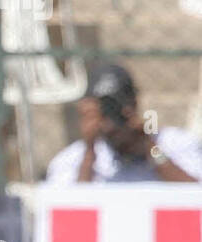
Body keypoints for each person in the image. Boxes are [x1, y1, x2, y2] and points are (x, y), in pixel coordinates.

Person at [45, 64, 202, 184]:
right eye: (105, 107)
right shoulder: (72, 159)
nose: (112, 115)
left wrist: (150, 147)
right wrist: (90, 152)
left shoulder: (175, 143)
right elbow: (68, 214)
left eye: (117, 105)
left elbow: (193, 197)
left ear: (135, 102)